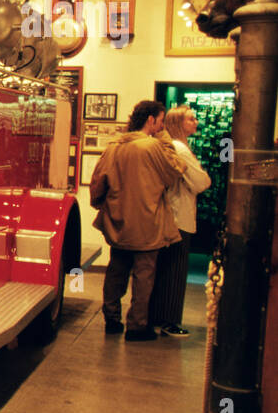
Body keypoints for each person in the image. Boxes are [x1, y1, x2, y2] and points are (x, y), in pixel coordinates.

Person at [90, 100, 186, 341]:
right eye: (161, 121)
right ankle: (137, 325)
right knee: (144, 275)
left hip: (117, 220)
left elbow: (97, 183)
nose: (162, 126)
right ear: (151, 120)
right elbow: (175, 169)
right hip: (147, 220)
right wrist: (165, 138)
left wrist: (102, 205)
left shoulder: (114, 146)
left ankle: (111, 319)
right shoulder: (152, 146)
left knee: (116, 270)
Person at [149, 106, 212, 336]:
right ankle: (169, 321)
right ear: (178, 123)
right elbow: (201, 182)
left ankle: (159, 317)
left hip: (173, 216)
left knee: (166, 268)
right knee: (175, 269)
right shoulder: (180, 150)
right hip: (179, 217)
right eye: (190, 118)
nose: (196, 122)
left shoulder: (174, 147)